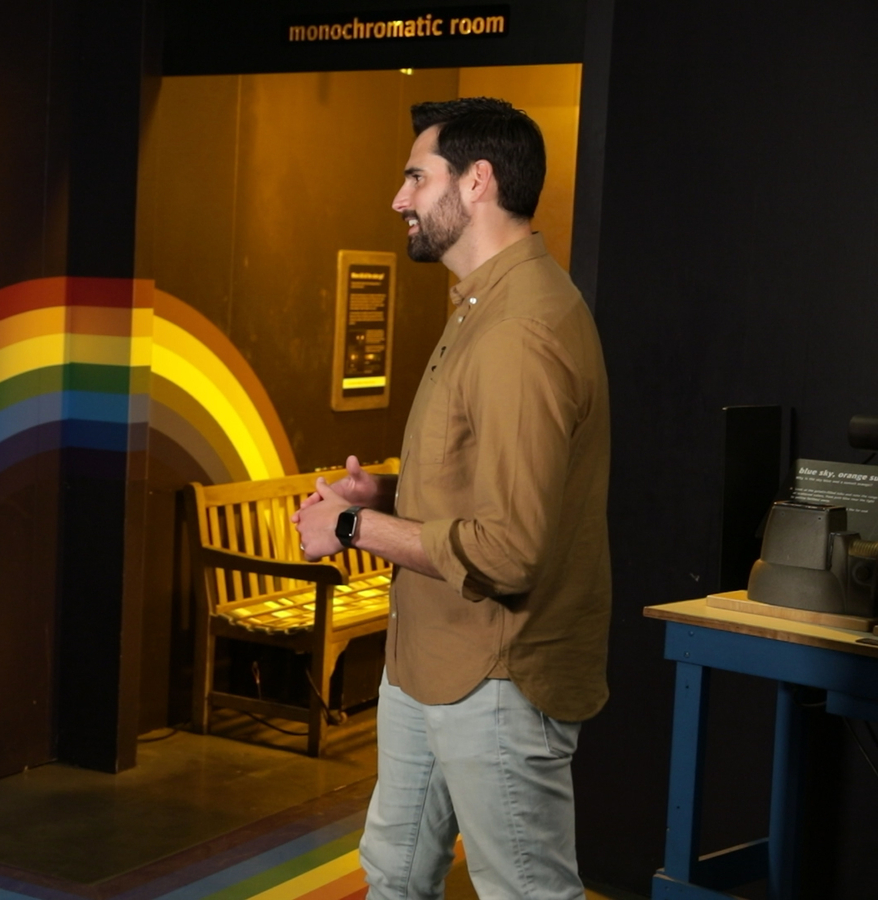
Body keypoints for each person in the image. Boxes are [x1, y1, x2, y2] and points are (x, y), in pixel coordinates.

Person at [293, 98, 611, 900]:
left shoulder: (519, 331)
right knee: (394, 877)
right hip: (428, 663)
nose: (399, 198)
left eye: (415, 176)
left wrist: (356, 525)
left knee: (527, 893)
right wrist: (389, 492)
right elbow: (483, 480)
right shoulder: (479, 306)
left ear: (477, 183)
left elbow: (509, 549)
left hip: (497, 678)